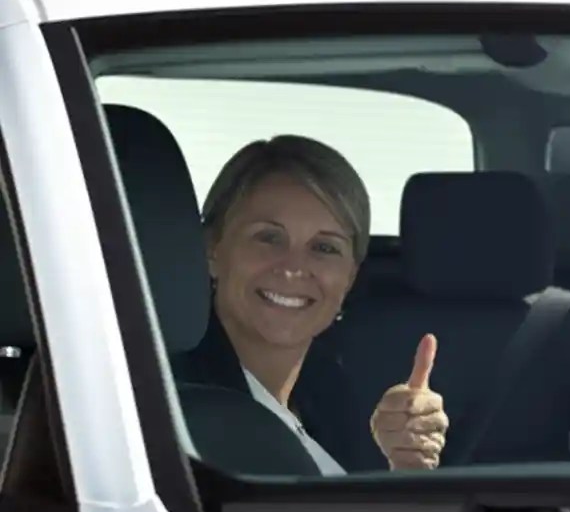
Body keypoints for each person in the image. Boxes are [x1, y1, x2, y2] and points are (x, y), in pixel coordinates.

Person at [176, 135, 448, 473]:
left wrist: (403, 468)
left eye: (324, 248)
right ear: (212, 250)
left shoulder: (334, 393)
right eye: (269, 237)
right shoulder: (166, 406)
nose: (293, 268)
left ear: (350, 276)